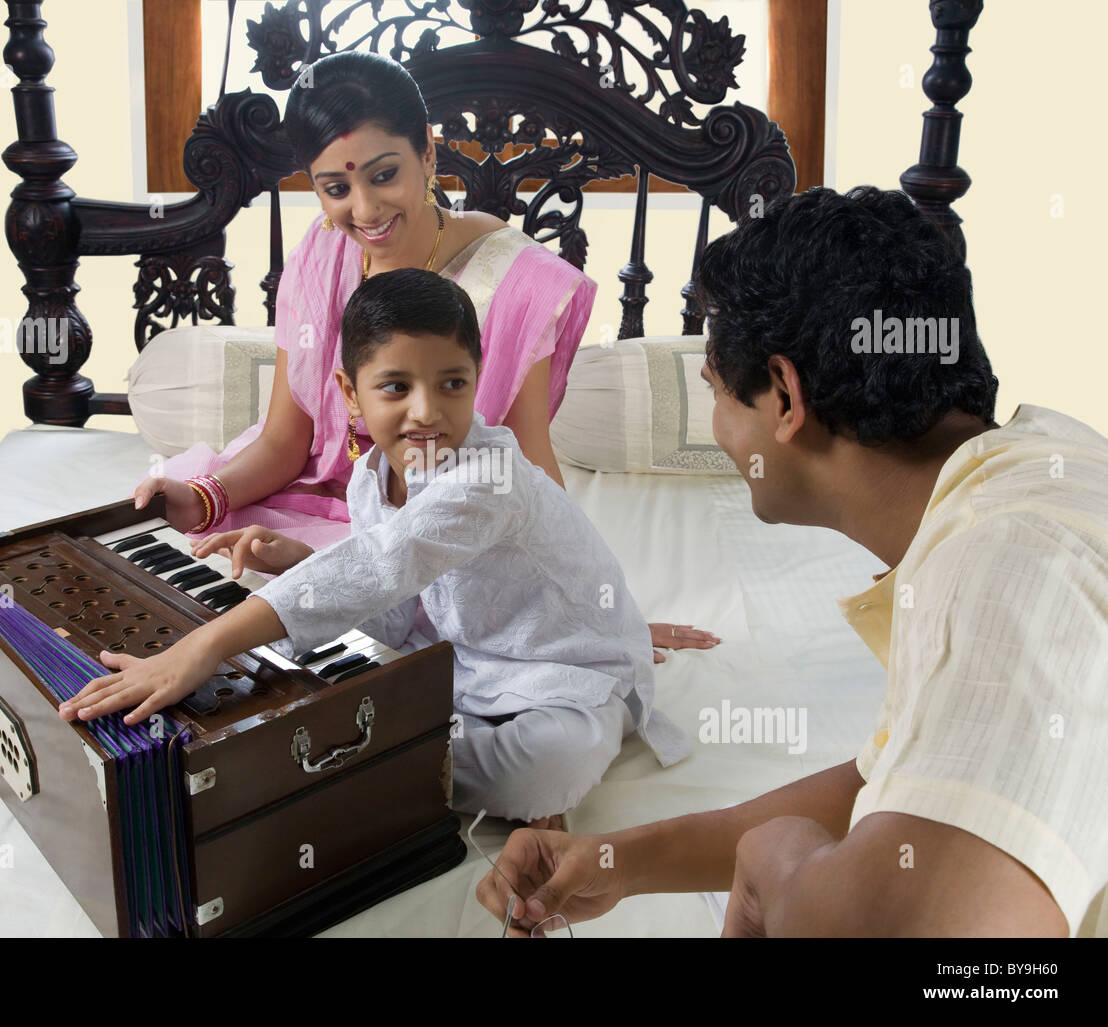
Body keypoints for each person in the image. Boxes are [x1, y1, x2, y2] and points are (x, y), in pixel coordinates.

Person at [476, 185, 1108, 937]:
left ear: (784, 395)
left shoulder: (1007, 562)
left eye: (716, 391)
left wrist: (775, 861)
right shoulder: (1040, 478)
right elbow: (902, 793)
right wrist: (619, 858)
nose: (718, 428)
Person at [133, 49, 716, 664]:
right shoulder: (321, 254)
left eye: (384, 175)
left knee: (447, 622)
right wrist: (203, 498)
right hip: (313, 505)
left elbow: (530, 476)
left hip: (440, 520)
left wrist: (591, 604)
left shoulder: (519, 282)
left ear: (428, 154)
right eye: (336, 188)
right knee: (174, 585)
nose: (364, 210)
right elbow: (285, 441)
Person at [63, 269, 690, 827]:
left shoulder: (489, 478)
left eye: (453, 383)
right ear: (349, 391)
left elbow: (380, 565)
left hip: (564, 675)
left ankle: (343, 761)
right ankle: (373, 751)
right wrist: (304, 563)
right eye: (396, 387)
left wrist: (202, 648)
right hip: (461, 657)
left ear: (478, 378)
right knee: (312, 660)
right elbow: (389, 605)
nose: (427, 412)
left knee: (547, 767)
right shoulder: (371, 478)